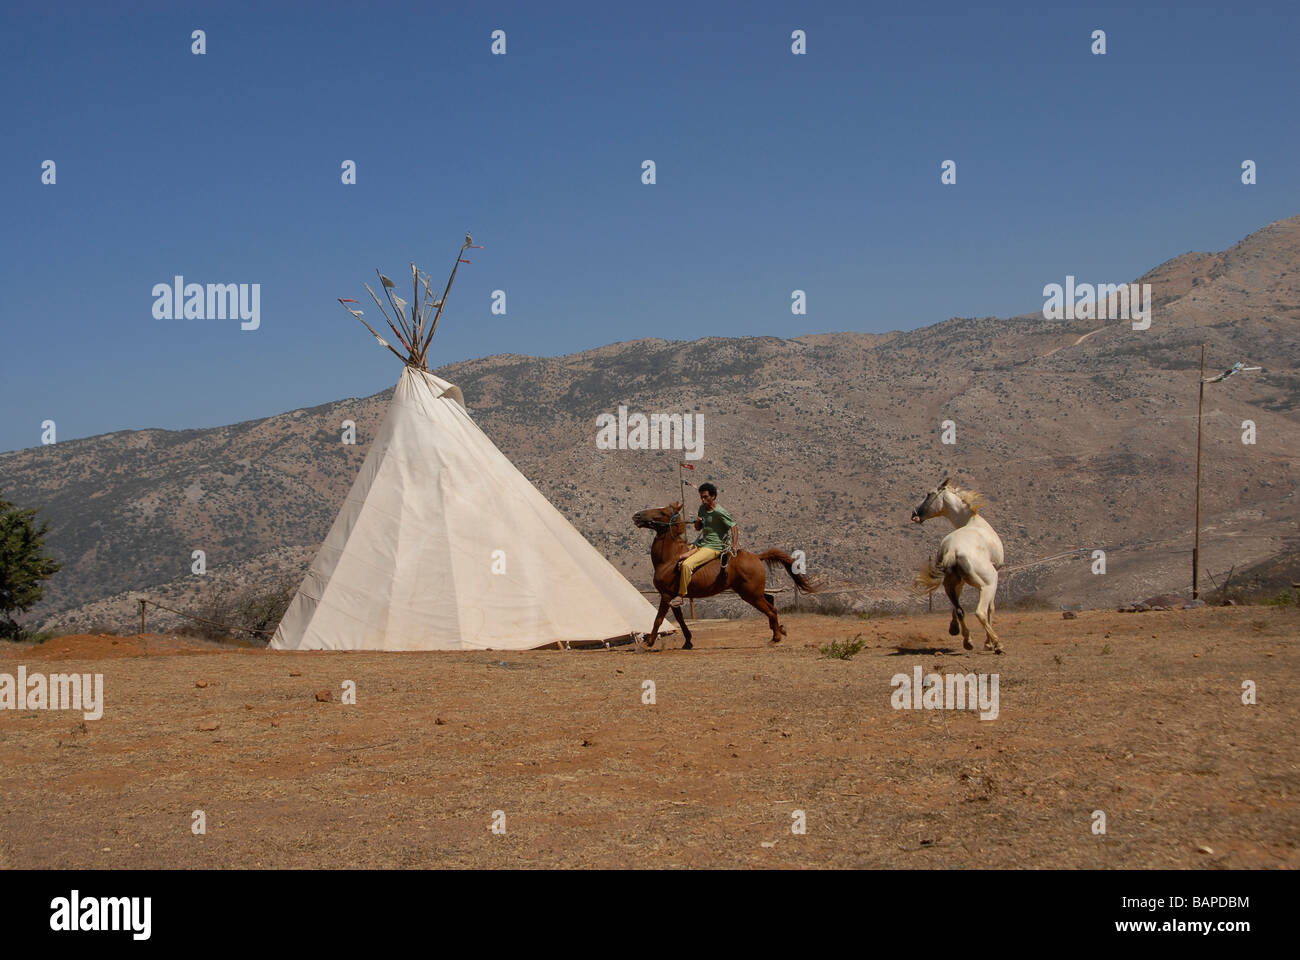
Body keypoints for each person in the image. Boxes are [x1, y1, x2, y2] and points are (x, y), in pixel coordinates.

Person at [670, 482, 735, 608]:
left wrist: (735, 544)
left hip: (714, 547)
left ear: (713, 496)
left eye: (705, 497)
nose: (703, 499)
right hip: (702, 543)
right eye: (701, 497)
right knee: (677, 556)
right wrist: (698, 522)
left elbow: (734, 526)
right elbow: (698, 528)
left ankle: (681, 595)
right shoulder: (702, 508)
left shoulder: (719, 512)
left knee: (687, 565)